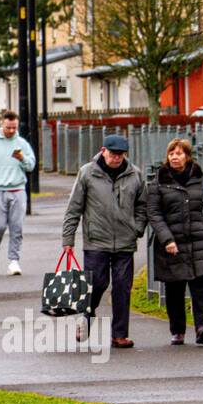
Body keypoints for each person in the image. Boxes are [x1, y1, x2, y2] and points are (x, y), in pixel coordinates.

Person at [61, 133, 147, 348]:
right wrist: (68, 238)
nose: (116, 158)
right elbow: (74, 208)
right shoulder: (87, 173)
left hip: (125, 241)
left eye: (120, 154)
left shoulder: (134, 174)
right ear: (103, 150)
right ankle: (87, 315)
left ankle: (119, 334)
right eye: (112, 153)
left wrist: (137, 228)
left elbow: (142, 206)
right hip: (96, 240)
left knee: (122, 287)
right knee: (97, 283)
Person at [147, 138, 203, 346]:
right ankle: (178, 330)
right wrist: (167, 239)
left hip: (199, 242)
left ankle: (202, 327)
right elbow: (154, 213)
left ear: (187, 157)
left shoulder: (201, 180)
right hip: (172, 245)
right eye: (171, 153)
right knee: (175, 291)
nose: (175, 157)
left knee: (201, 287)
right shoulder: (159, 182)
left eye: (179, 153)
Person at [0, 110, 37, 275]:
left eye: (14, 128)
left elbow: (31, 165)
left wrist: (22, 158)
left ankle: (14, 261)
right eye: (9, 127)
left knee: (16, 227)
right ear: (2, 123)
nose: (11, 131)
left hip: (17, 189)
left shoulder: (21, 143)